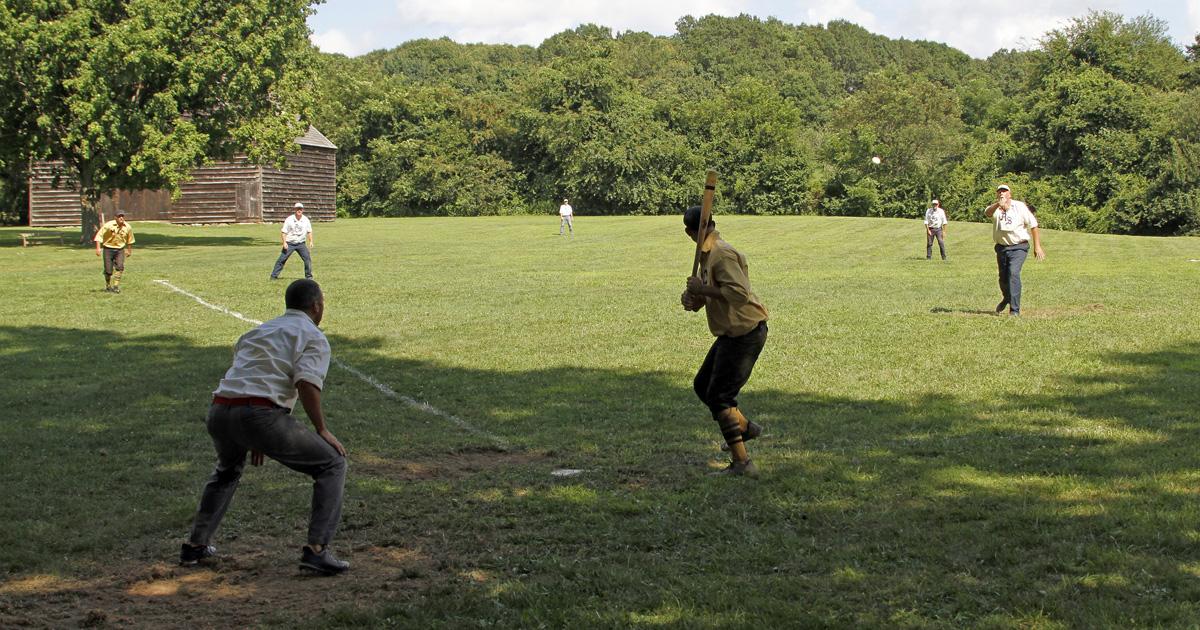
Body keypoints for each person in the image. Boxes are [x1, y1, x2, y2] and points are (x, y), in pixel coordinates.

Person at [181, 279, 350, 575]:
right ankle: (317, 551)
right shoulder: (312, 336)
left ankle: (196, 546)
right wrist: (321, 429)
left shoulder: (258, 330)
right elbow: (307, 383)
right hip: (259, 415)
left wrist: (256, 438)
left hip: (220, 410)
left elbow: (248, 375)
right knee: (332, 463)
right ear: (317, 306)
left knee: (227, 471)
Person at [680, 206, 769, 477]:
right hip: (731, 333)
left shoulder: (721, 253)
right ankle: (744, 428)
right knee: (703, 386)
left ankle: (743, 463)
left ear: (689, 233)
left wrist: (702, 289)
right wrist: (694, 300)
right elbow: (713, 294)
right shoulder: (707, 255)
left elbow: (739, 294)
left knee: (720, 396)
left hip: (745, 333)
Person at [985, 185, 1045, 316]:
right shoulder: (995, 208)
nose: (1002, 193)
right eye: (1000, 191)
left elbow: (1033, 225)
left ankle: (1014, 310)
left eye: (1004, 191)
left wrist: (1037, 246)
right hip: (1001, 248)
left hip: (1019, 247)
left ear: (1010, 194)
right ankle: (1007, 297)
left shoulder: (1020, 207)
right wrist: (998, 205)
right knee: (1003, 279)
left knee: (1013, 273)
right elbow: (987, 213)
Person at [93, 210, 135, 293]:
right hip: (108, 248)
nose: (121, 218)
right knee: (108, 270)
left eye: (122, 216)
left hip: (120, 249)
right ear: (115, 217)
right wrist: (98, 248)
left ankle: (116, 286)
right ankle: (108, 285)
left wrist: (129, 250)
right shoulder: (108, 225)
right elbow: (99, 236)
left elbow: (130, 240)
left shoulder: (127, 227)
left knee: (120, 267)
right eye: (119, 216)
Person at [271, 202, 314, 280]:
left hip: (301, 243)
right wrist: (284, 243)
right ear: (295, 209)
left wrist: (311, 241)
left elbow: (309, 231)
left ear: (303, 210)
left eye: (300, 209)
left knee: (307, 259)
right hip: (290, 243)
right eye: (297, 209)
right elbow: (284, 232)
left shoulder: (305, 220)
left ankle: (309, 277)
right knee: (282, 259)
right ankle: (273, 276)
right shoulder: (289, 219)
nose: (299, 210)